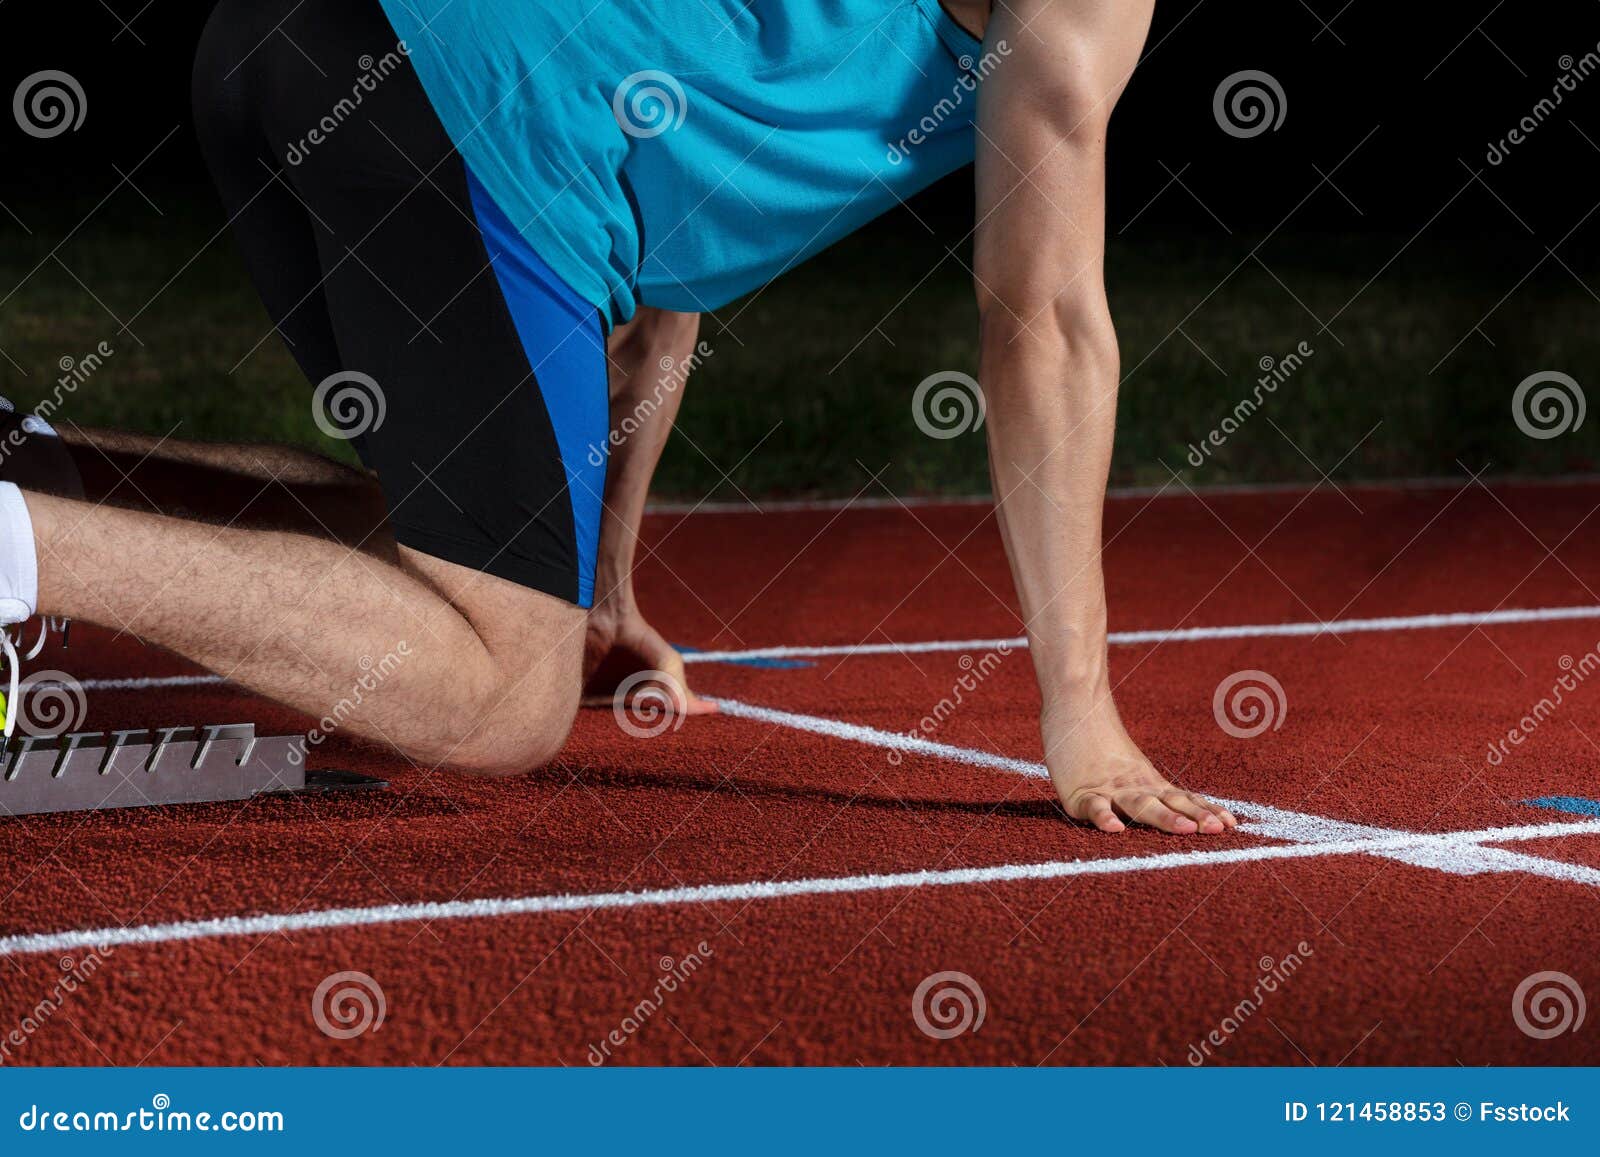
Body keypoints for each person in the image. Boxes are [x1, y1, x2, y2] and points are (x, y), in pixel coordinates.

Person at [0, 0, 1235, 835]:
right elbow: (1045, 324)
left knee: (422, 552)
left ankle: (25, 461)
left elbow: (654, 306)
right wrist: (1081, 711)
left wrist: (601, 595)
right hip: (474, 106)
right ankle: (13, 545)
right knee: (502, 693)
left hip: (282, 49)